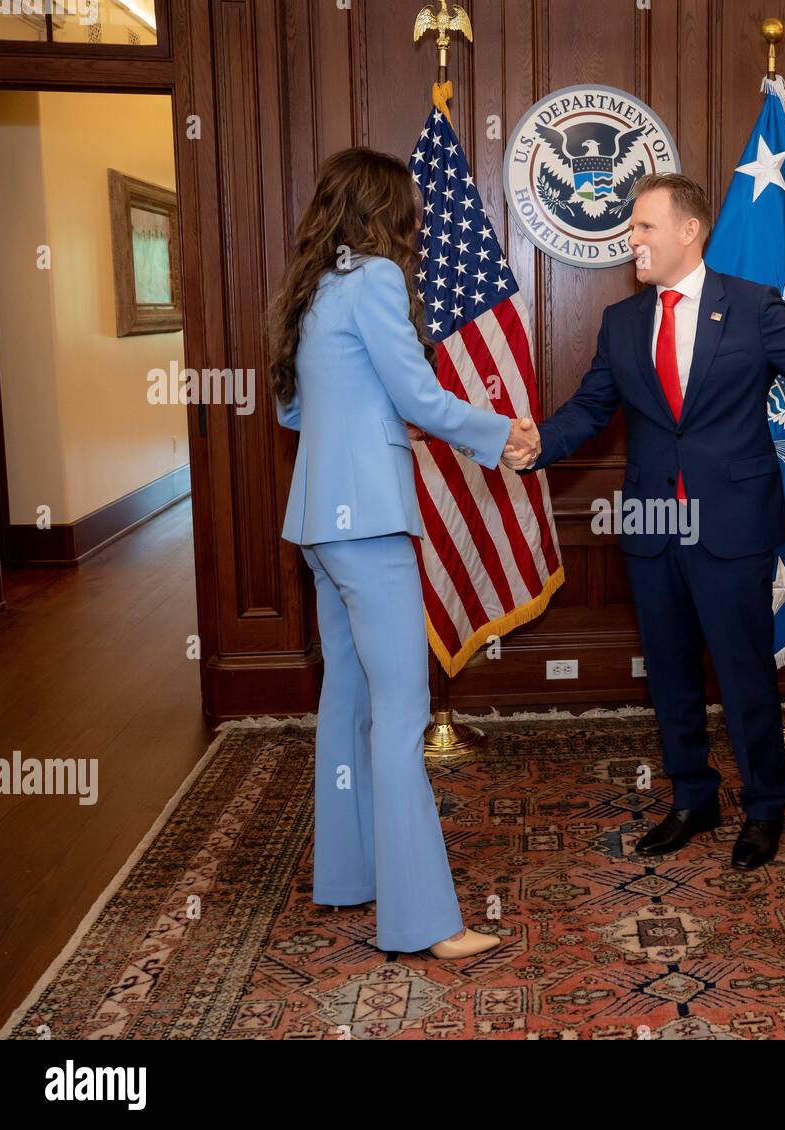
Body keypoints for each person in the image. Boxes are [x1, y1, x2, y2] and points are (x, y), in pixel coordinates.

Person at [506, 173, 785, 869]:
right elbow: (592, 408)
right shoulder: (621, 323)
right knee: (670, 671)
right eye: (631, 227)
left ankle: (765, 806)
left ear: (689, 232)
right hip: (655, 525)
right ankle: (692, 797)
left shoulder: (751, 306)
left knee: (745, 672)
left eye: (644, 227)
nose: (632, 239)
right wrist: (540, 442)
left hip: (734, 524)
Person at [268, 147, 538, 957]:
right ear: (382, 211)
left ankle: (349, 877)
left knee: (347, 702)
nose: (416, 227)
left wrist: (373, 417)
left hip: (317, 525)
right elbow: (416, 392)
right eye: (407, 212)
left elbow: (292, 415)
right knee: (401, 714)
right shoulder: (376, 280)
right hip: (370, 525)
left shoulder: (306, 292)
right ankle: (423, 922)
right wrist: (501, 435)